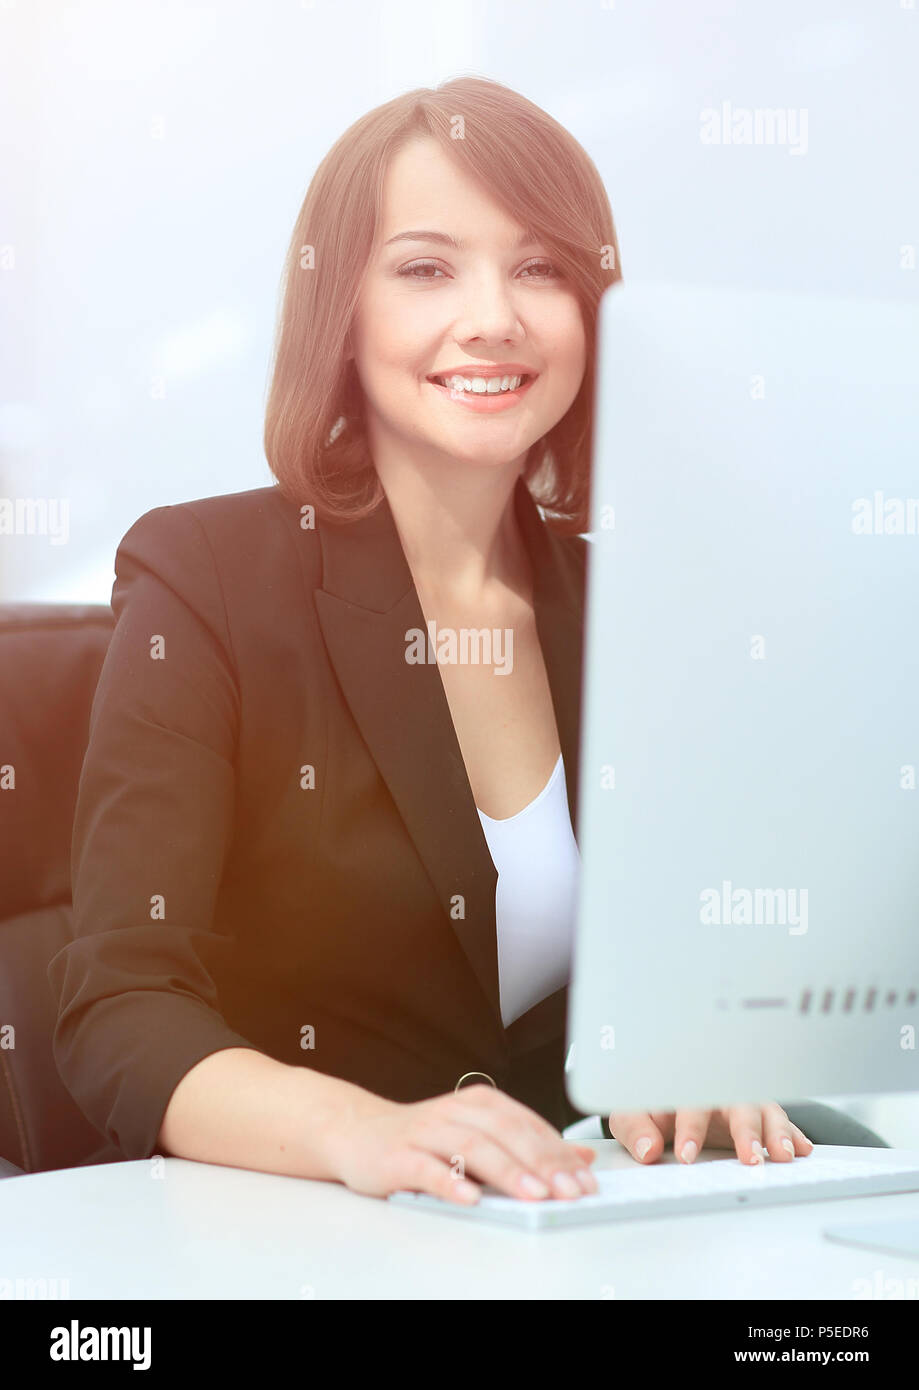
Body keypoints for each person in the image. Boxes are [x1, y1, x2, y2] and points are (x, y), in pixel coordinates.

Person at [49, 76, 815, 1210]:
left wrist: (689, 1059)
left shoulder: (630, 606)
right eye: (425, 267)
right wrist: (364, 1131)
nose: (494, 317)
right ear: (341, 314)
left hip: (578, 1226)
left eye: (541, 267)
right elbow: (116, 1006)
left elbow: (687, 953)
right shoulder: (204, 579)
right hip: (304, 1235)